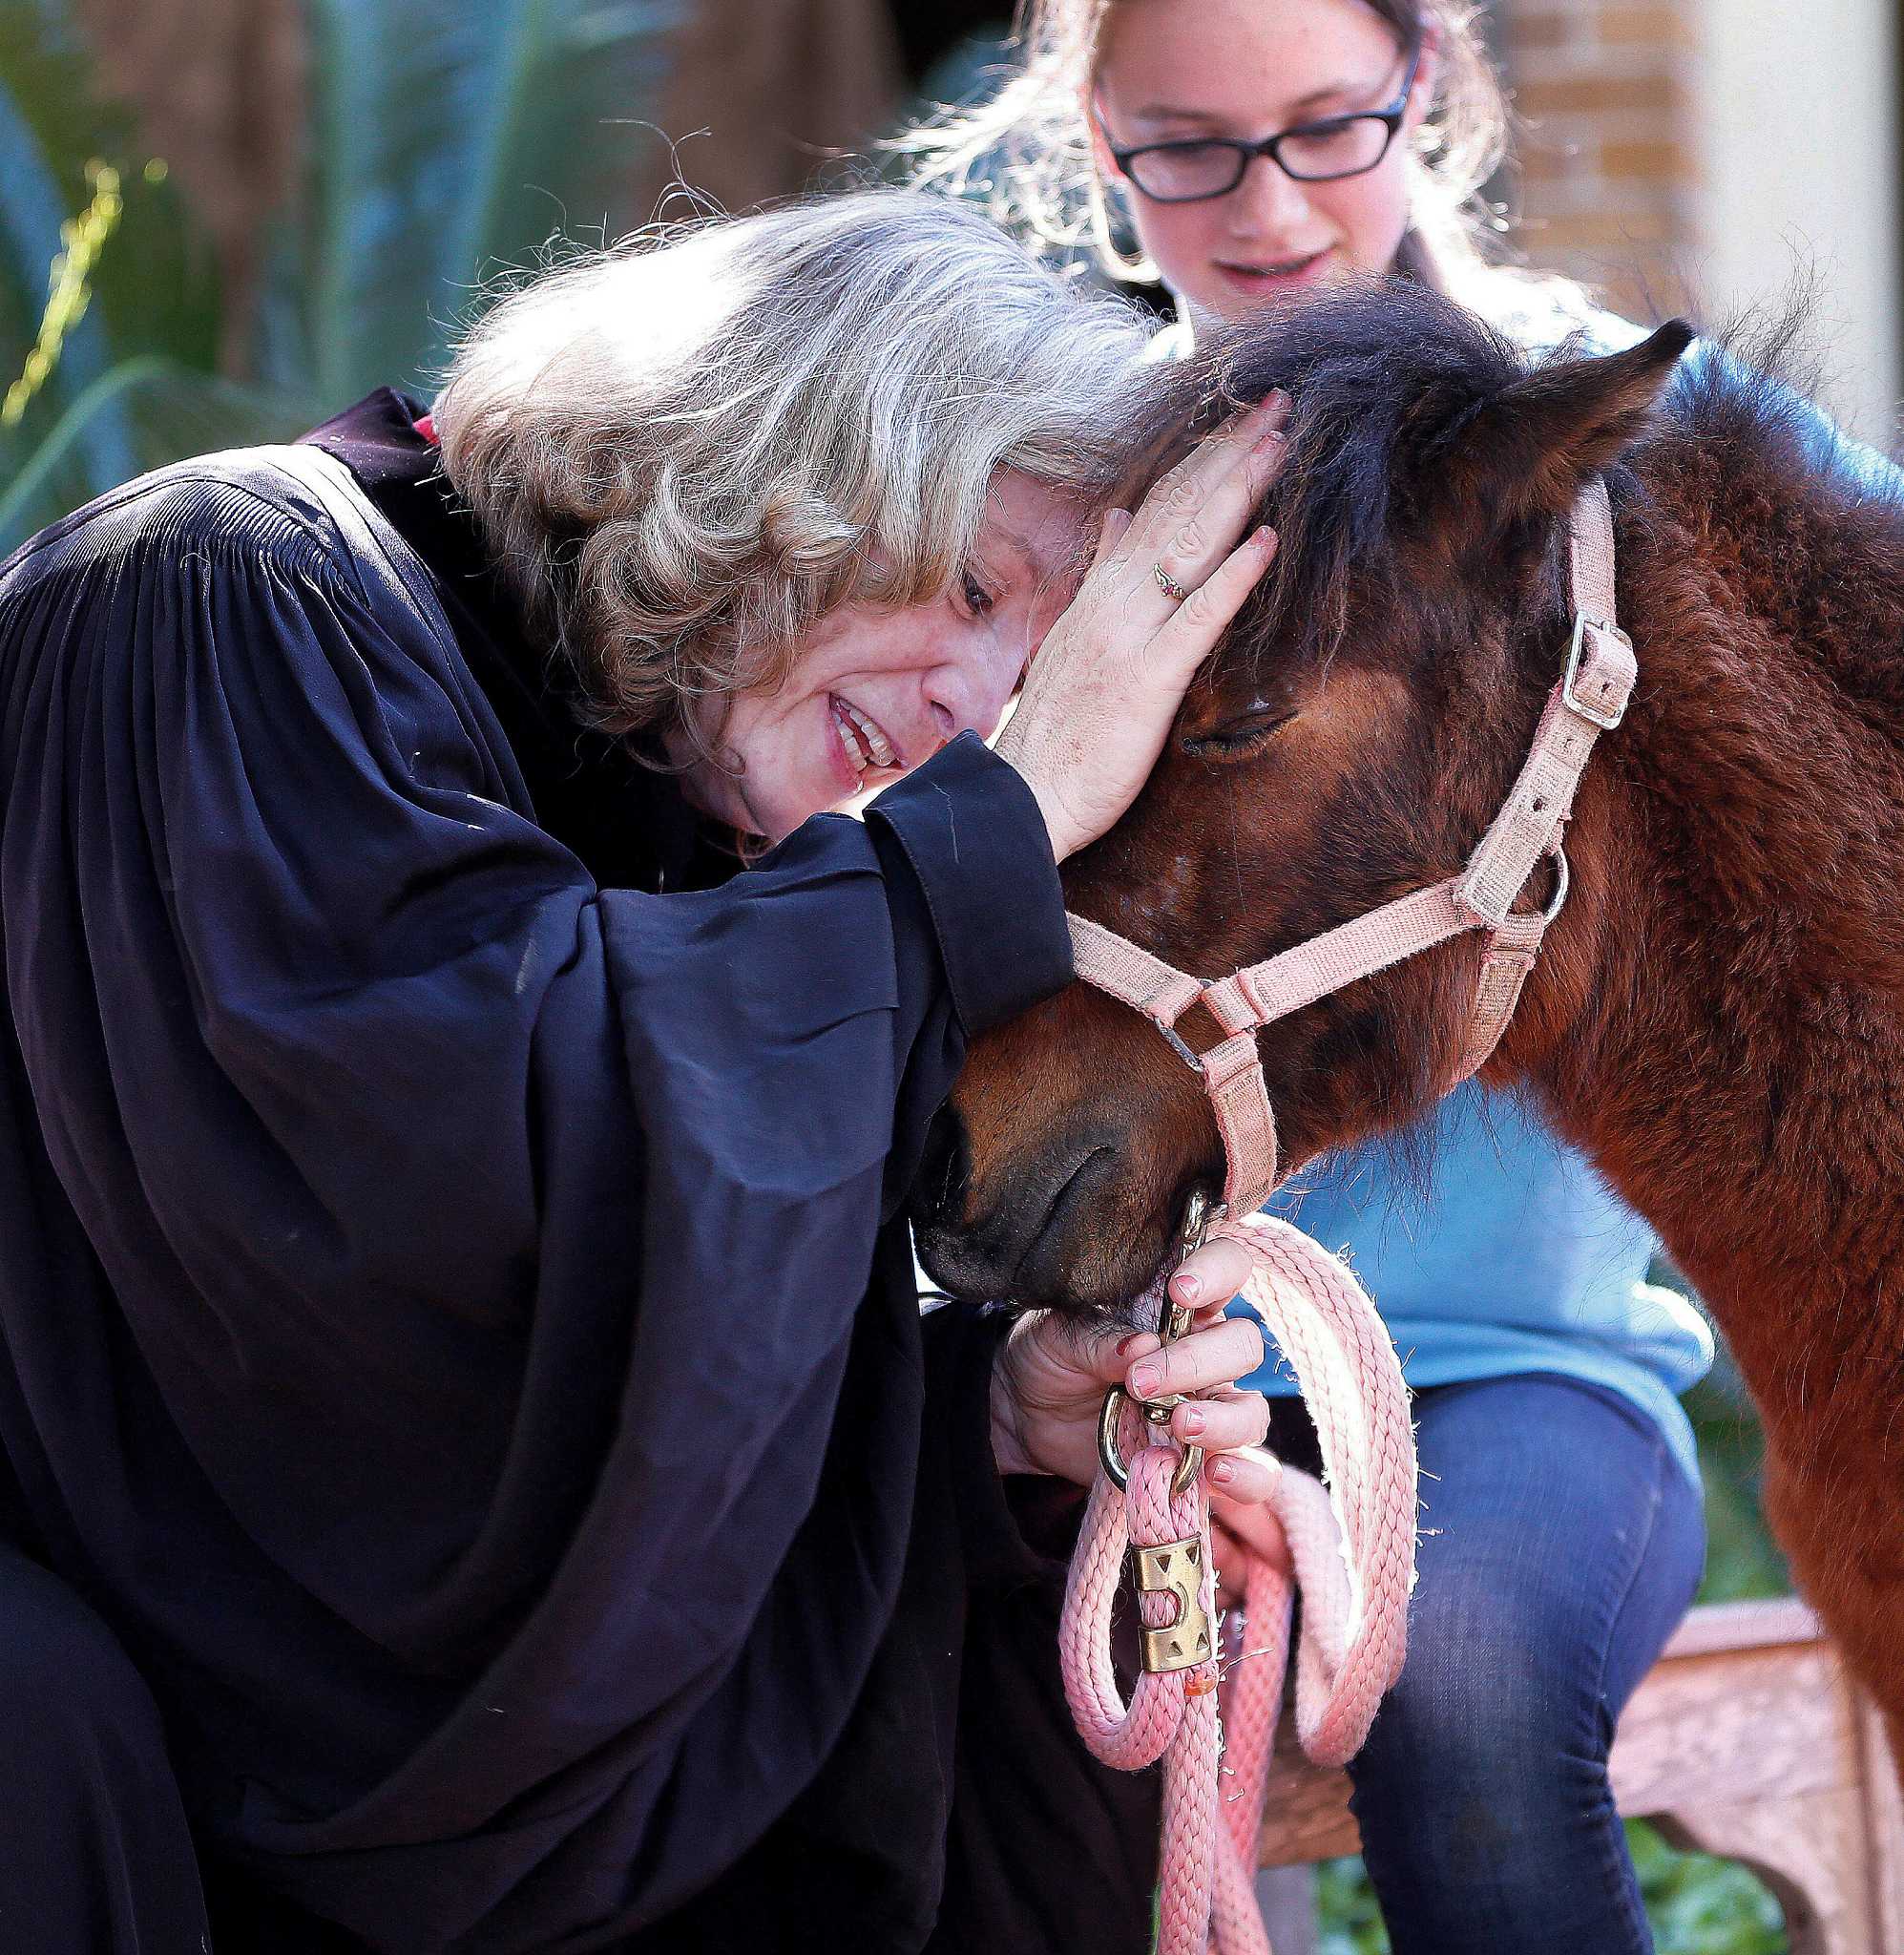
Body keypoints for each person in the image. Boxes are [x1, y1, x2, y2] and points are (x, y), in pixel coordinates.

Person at [0, 189, 1295, 1954]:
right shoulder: (222, 592)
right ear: (791, 451)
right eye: (979, 581)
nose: (968, 728)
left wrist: (970, 1430)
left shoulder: (717, 853)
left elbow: (609, 1392)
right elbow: (428, 1220)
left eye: (1042, 694)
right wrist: (987, 838)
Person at [913, 7, 1716, 1950]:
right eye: (1183, 146)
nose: (1262, 209)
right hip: (1115, 1347)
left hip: (1509, 1377)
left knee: (1458, 1685)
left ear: (1425, 82)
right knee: (902, 1685)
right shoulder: (1040, 492)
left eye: (1321, 130)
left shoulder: (1608, 445)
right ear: (1088, 133)